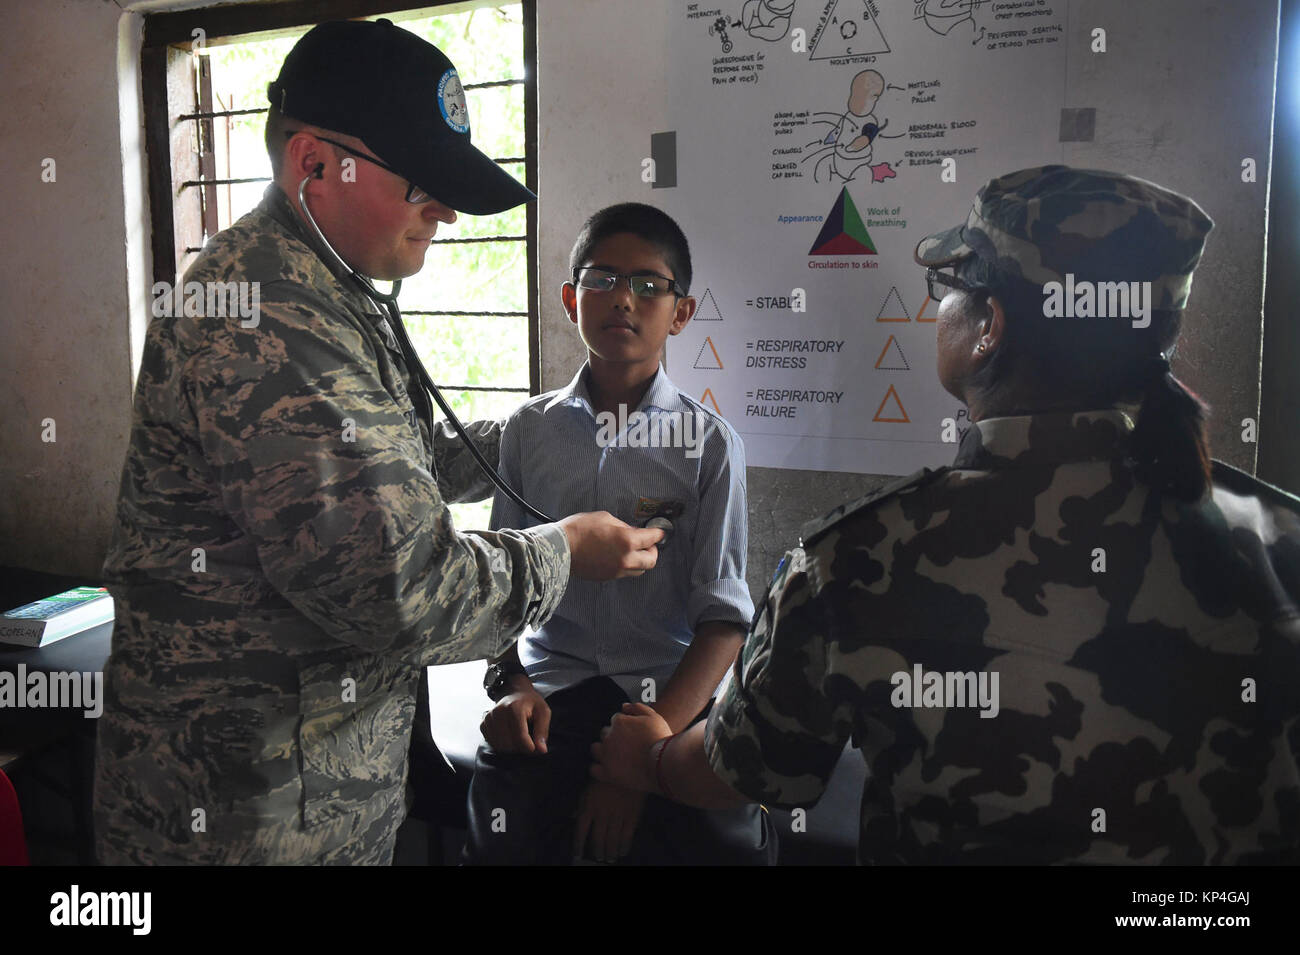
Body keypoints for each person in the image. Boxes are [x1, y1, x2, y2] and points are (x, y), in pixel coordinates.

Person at [592, 165, 1300, 864]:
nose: (936, 308)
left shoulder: (861, 558)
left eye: (948, 287)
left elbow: (742, 768)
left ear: (989, 324)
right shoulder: (1282, 538)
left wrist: (647, 763)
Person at [94, 19, 662, 866]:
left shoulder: (327, 293)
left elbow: (389, 459)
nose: (444, 212)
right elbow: (399, 589)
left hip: (315, 795)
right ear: (315, 165)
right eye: (421, 184)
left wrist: (534, 430)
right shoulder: (264, 316)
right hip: (240, 819)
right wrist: (561, 552)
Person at [462, 203, 774, 864]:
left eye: (649, 284)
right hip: (552, 697)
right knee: (507, 832)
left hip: (668, 701)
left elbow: (723, 622)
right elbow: (501, 591)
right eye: (602, 280)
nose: (623, 299)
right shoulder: (528, 430)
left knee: (721, 846)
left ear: (680, 313)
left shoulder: (710, 446)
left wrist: (650, 752)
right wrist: (512, 686)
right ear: (573, 298)